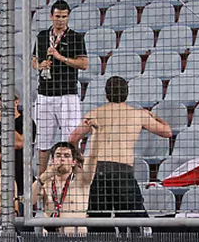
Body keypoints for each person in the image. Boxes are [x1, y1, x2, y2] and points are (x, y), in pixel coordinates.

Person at [69, 76, 172, 233]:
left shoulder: (96, 113)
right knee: (132, 220)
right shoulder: (138, 114)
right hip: (122, 171)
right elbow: (167, 132)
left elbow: (73, 138)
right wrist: (152, 115)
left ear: (106, 94)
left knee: (98, 222)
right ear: (127, 93)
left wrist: (80, 158)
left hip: (100, 170)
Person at [32, 0, 88, 175]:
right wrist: (40, 65)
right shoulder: (42, 36)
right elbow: (34, 59)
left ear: (68, 17)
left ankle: (75, 181)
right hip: (45, 94)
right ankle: (41, 183)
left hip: (67, 95)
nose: (61, 20)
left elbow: (83, 63)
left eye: (64, 17)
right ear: (51, 16)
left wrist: (60, 57)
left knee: (71, 142)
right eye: (57, 16)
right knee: (43, 143)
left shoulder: (76, 37)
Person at [32, 142, 93, 235]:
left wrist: (96, 133)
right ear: (52, 160)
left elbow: (93, 158)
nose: (61, 159)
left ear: (74, 162)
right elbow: (28, 201)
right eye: (58, 155)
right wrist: (43, 177)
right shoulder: (45, 182)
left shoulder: (81, 181)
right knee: (38, 221)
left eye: (67, 156)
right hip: (49, 234)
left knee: (72, 228)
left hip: (74, 234)